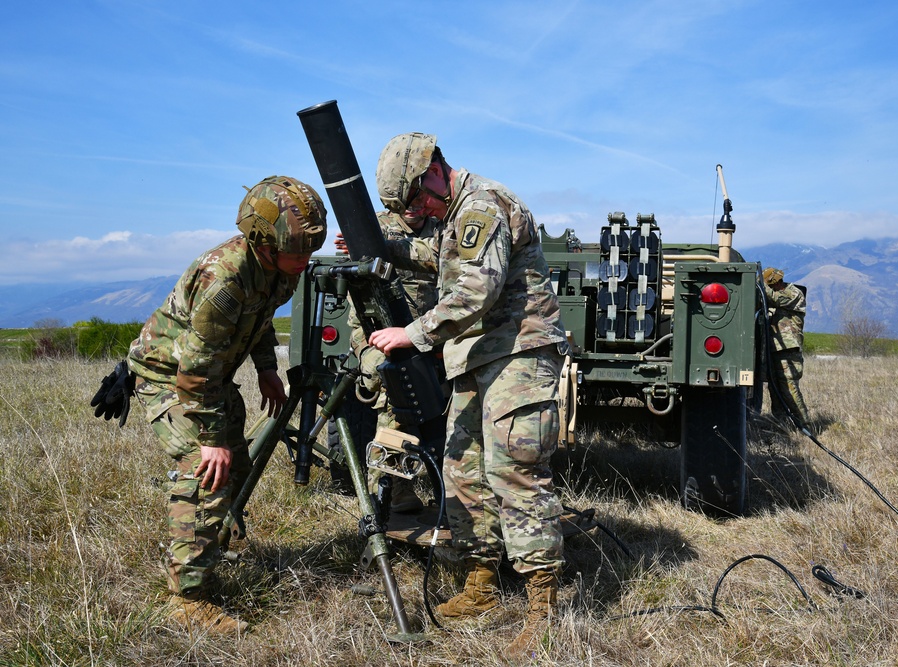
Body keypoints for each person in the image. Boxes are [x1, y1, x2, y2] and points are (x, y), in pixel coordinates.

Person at [357, 132, 569, 655]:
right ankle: (482, 585)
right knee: (463, 470)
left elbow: (475, 290)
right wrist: (379, 244)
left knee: (516, 472)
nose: (416, 211)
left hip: (518, 352)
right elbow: (436, 256)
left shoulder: (482, 205)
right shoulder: (455, 215)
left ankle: (543, 607)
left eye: (414, 199)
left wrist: (413, 334)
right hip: (478, 359)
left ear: (433, 169)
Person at [127, 175, 327, 634]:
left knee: (235, 465)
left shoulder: (282, 270)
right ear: (263, 241)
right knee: (205, 470)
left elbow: (258, 321)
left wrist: (265, 368)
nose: (306, 259)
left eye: (308, 249)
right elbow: (192, 369)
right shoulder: (226, 276)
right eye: (298, 250)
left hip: (209, 374)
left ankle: (207, 546)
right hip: (170, 376)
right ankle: (188, 599)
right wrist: (211, 440)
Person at [346, 209, 440, 514]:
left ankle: (448, 484)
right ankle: (391, 484)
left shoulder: (443, 227)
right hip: (378, 334)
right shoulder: (375, 226)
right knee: (395, 381)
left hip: (430, 336)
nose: (410, 207)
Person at [762, 266, 810, 427]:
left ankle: (804, 425)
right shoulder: (773, 295)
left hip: (788, 349)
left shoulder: (794, 293)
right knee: (775, 390)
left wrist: (759, 285)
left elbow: (776, 299)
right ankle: (781, 424)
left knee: (789, 389)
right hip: (774, 349)